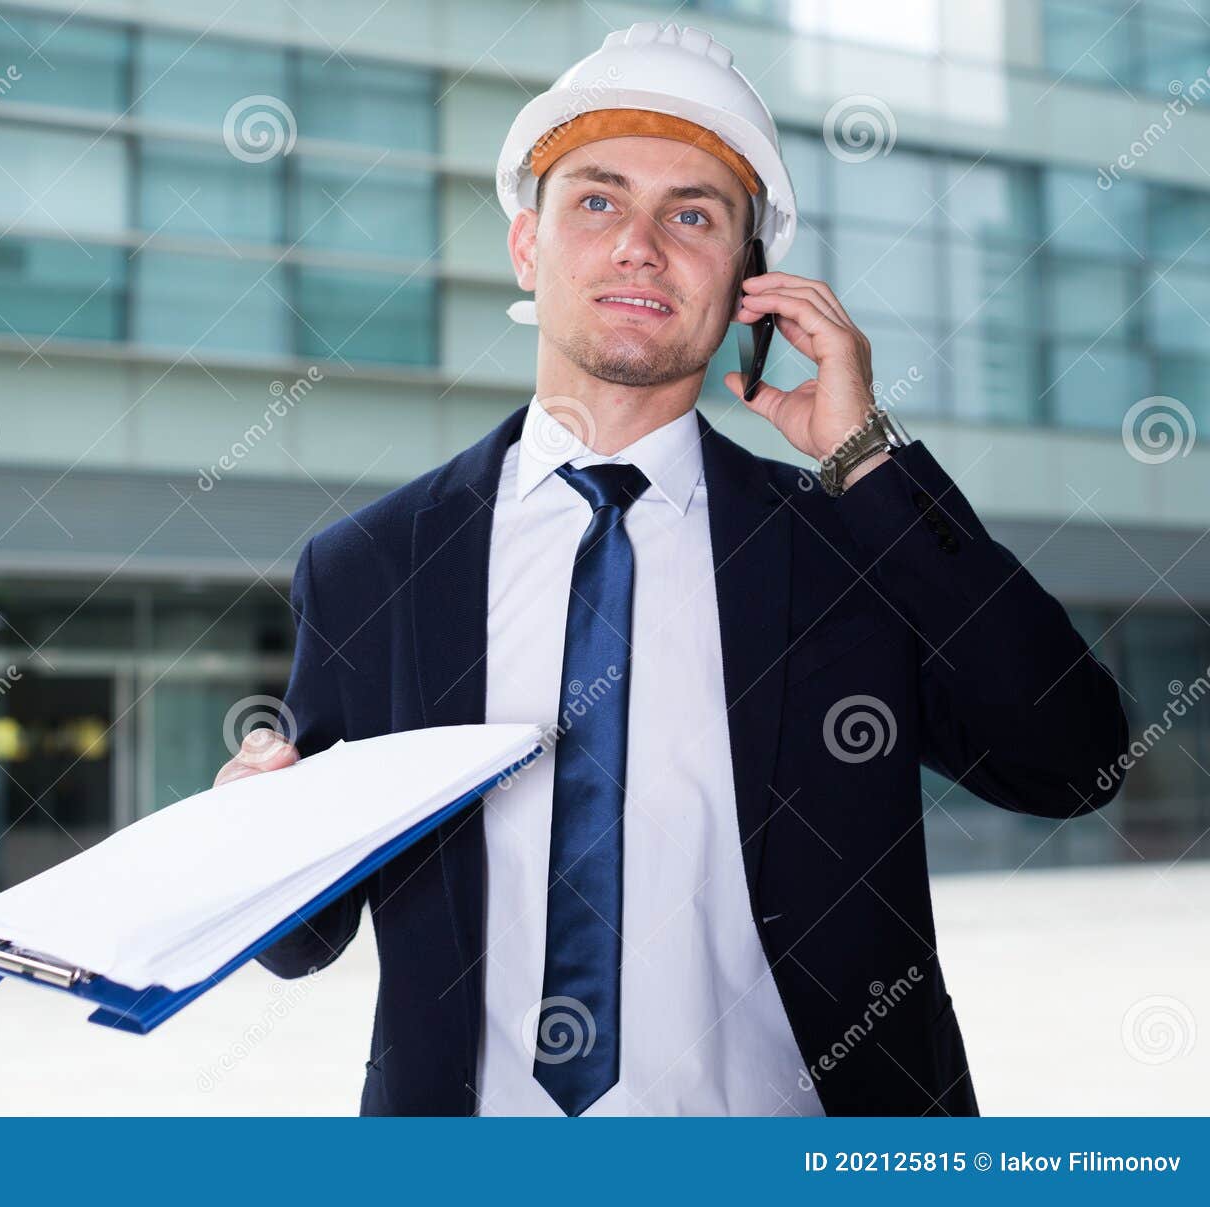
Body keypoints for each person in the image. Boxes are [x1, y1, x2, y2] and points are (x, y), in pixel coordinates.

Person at [213, 22, 1128, 1117]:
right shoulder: (372, 566)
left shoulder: (847, 546)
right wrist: (251, 833)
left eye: (692, 214)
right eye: (597, 201)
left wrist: (866, 461)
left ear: (748, 280)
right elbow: (305, 938)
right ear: (525, 247)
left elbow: (1071, 763)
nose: (639, 244)